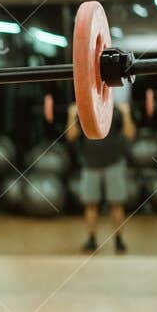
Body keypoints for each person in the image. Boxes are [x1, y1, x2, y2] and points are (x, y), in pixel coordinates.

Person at [65, 88, 136, 254]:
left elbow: (130, 134)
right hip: (90, 164)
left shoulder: (117, 110)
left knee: (116, 204)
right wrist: (71, 115)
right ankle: (91, 240)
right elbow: (70, 136)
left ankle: (119, 241)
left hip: (114, 162)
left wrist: (126, 114)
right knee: (91, 205)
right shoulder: (84, 111)